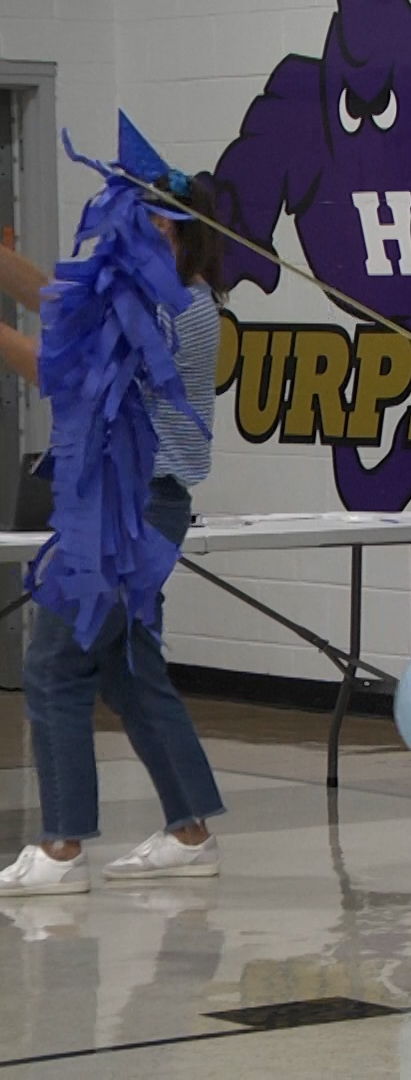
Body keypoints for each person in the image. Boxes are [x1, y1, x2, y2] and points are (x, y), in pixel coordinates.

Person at [0, 172, 228, 895]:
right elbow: (60, 300)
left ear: (172, 232)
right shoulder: (166, 300)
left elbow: (57, 363)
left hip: (127, 510)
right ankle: (189, 828)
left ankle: (62, 848)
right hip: (129, 503)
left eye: (143, 222)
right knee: (128, 671)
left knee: (54, 663)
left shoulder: (168, 313)